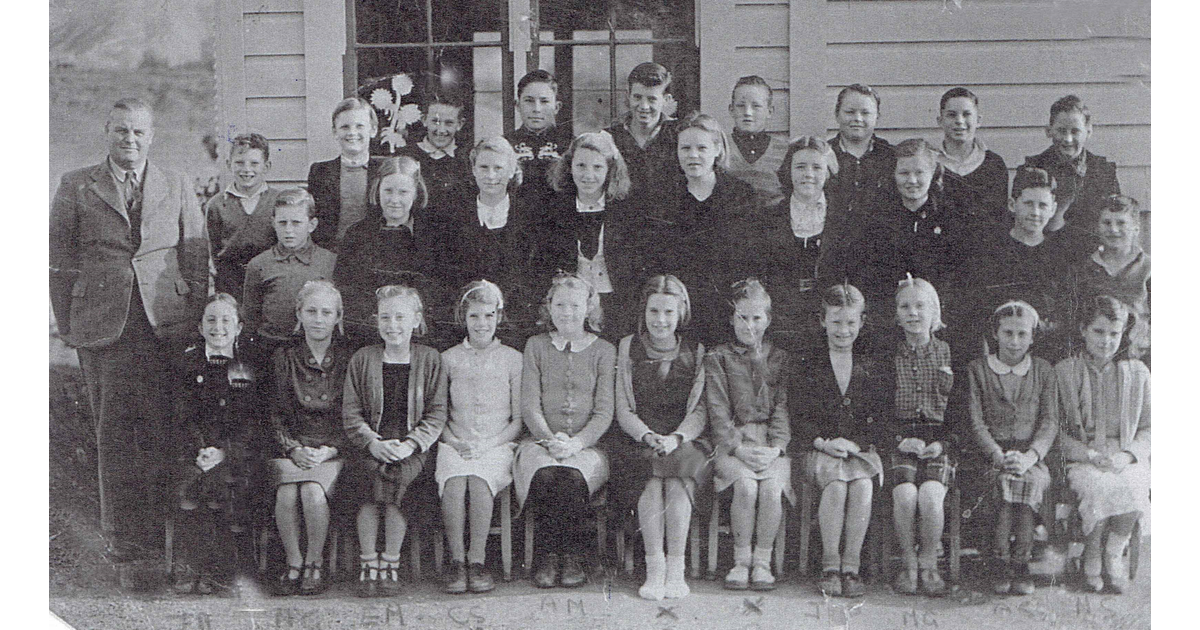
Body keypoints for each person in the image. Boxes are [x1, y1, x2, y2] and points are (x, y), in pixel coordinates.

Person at [50, 97, 209, 562]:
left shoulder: (175, 182)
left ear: (151, 135)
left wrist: (194, 316)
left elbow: (197, 256)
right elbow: (59, 264)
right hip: (105, 327)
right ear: (107, 132)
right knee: (115, 435)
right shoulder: (77, 185)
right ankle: (123, 540)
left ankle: (168, 538)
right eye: (121, 131)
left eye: (139, 132)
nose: (130, 140)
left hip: (167, 325)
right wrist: (69, 325)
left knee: (167, 429)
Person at [343, 285, 448, 597]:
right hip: (370, 444)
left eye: (400, 317)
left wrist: (411, 444)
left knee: (399, 479)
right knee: (366, 481)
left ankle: (390, 562)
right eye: (385, 317)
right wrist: (372, 442)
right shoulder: (362, 359)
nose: (393, 325)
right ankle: (368, 563)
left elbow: (437, 413)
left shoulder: (430, 360)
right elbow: (351, 412)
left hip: (411, 448)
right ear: (376, 321)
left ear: (416, 320)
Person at [514, 274, 617, 589]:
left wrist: (577, 443)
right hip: (539, 441)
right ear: (549, 307)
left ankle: (571, 556)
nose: (567, 312)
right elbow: (530, 406)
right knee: (546, 475)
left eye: (575, 305)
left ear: (588, 307)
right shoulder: (536, 346)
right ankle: (547, 556)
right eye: (560, 304)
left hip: (587, 445)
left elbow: (604, 412)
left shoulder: (604, 350)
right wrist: (549, 440)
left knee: (572, 477)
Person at [613, 275, 710, 600]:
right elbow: (623, 407)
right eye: (654, 311)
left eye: (668, 312)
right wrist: (646, 434)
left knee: (678, 479)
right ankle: (655, 569)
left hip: (683, 441)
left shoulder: (696, 353)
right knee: (652, 480)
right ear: (644, 312)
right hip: (639, 439)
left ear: (681, 312)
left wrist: (677, 437)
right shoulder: (627, 347)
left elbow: (699, 410)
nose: (661, 320)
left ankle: (676, 568)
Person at [790, 284, 888, 598]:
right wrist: (822, 442)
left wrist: (858, 444)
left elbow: (881, 414)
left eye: (850, 323)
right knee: (835, 483)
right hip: (818, 448)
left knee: (861, 485)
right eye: (835, 322)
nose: (843, 331)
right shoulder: (808, 361)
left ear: (861, 322)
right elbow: (797, 411)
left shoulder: (872, 364)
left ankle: (852, 567)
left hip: (859, 450)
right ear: (823, 321)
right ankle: (830, 566)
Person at [1055, 296, 1149, 594]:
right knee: (1096, 485)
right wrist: (1088, 454)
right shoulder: (1065, 371)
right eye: (1098, 331)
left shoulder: (1139, 373)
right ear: (1083, 330)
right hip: (1084, 454)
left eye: (1114, 333)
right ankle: (1092, 553)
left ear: (1123, 334)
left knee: (1137, 485)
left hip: (1123, 453)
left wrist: (1128, 455)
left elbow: (1152, 426)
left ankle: (1113, 552)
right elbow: (1054, 428)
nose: (1106, 341)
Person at [170, 294, 263, 594]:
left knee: (226, 486)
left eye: (226, 320)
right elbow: (180, 416)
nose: (218, 327)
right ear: (200, 327)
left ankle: (222, 567)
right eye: (211, 320)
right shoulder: (186, 363)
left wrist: (224, 451)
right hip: (193, 452)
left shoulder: (249, 366)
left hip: (236, 453)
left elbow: (254, 420)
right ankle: (191, 564)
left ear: (238, 327)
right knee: (186, 483)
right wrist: (199, 451)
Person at [966, 301, 1059, 595]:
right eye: (1008, 333)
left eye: (1022, 334)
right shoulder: (978, 369)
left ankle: (1021, 562)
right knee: (1005, 482)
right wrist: (997, 454)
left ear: (1033, 336)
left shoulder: (1043, 371)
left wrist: (1031, 456)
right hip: (991, 455)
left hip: (1031, 456)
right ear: (996, 333)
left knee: (1029, 482)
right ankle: (1000, 560)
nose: (1015, 341)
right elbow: (975, 422)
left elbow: (1049, 422)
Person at [437, 281, 524, 594]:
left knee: (479, 479)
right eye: (474, 316)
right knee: (455, 482)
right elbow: (439, 415)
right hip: (455, 441)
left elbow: (518, 420)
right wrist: (453, 441)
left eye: (489, 315)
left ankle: (478, 560)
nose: (482, 323)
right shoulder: (448, 358)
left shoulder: (513, 359)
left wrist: (489, 444)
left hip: (497, 443)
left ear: (499, 317)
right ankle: (457, 562)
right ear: (464, 317)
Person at [706, 279, 792, 591]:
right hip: (732, 445)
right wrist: (737, 447)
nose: (749, 325)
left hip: (770, 442)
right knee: (745, 486)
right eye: (742, 317)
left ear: (768, 320)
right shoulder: (718, 358)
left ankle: (762, 563)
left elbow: (782, 406)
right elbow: (717, 410)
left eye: (757, 318)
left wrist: (777, 447)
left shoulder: (780, 359)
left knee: (771, 489)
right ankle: (741, 561)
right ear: (732, 319)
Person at [266, 280, 351, 596]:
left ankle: (316, 564)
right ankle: (294, 563)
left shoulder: (348, 358)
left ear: (337, 317)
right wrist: (292, 447)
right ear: (299, 315)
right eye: (311, 311)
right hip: (293, 446)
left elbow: (355, 415)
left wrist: (330, 449)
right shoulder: (284, 357)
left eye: (326, 312)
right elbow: (274, 413)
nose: (318, 319)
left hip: (333, 448)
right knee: (286, 495)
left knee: (313, 493)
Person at [650, 112, 759, 345]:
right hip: (678, 313)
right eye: (685, 148)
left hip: (728, 310)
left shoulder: (740, 195)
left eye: (701, 148)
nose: (693, 155)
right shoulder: (664, 198)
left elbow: (752, 258)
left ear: (718, 149)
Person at [955, 167, 1071, 364]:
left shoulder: (1059, 255)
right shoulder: (990, 251)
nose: (1035, 212)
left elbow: (1064, 313)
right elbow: (974, 309)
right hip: (995, 355)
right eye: (1028, 204)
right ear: (1012, 204)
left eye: (1043, 205)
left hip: (1044, 357)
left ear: (1053, 209)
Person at [887, 276, 956, 596]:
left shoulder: (949, 353)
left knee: (930, 495)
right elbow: (878, 408)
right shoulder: (889, 357)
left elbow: (959, 412)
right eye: (905, 306)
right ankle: (908, 565)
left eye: (920, 306)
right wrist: (897, 439)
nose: (913, 313)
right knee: (905, 495)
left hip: (939, 441)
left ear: (935, 311)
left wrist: (943, 443)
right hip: (901, 440)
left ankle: (929, 563)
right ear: (896, 314)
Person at [743, 135, 847, 341]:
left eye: (817, 168)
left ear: (828, 173)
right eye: (800, 167)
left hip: (833, 322)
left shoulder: (845, 219)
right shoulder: (767, 217)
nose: (808, 174)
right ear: (788, 171)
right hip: (780, 324)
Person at [544, 131, 640, 340]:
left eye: (597, 167)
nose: (588, 175)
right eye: (581, 166)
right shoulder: (555, 209)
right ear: (569, 167)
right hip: (570, 309)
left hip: (617, 306)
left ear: (610, 170)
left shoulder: (626, 210)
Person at [333, 156, 439, 343]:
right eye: (388, 191)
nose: (394, 200)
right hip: (369, 334)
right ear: (377, 190)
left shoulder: (434, 235)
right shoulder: (358, 234)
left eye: (403, 192)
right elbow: (346, 287)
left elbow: (437, 288)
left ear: (415, 193)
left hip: (420, 334)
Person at [446, 137, 541, 321]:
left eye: (498, 168)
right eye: (483, 168)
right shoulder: (454, 216)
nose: (491, 176)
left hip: (518, 317)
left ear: (512, 170)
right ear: (473, 170)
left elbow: (535, 273)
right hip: (468, 317)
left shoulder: (530, 216)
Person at [1020, 95, 1121, 259]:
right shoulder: (1031, 169)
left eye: (1075, 131)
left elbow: (1116, 222)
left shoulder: (1104, 172)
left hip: (1092, 260)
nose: (1068, 139)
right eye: (1061, 131)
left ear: (1088, 132)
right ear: (1049, 131)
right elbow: (1021, 229)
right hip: (1044, 258)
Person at [243, 189, 337, 357]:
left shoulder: (330, 262)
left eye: (296, 223)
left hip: (316, 352)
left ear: (312, 225)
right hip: (270, 351)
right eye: (282, 222)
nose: (288, 230)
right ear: (273, 223)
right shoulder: (259, 265)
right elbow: (250, 321)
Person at [1067, 195, 1150, 360]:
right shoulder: (1084, 269)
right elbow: (1073, 320)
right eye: (1106, 223)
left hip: (1138, 361)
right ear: (1097, 226)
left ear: (1136, 227)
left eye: (1121, 223)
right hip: (1091, 361)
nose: (1113, 229)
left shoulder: (1150, 269)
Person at [206, 132, 280, 298]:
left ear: (266, 166)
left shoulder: (277, 201)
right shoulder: (217, 205)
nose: (247, 170)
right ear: (229, 164)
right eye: (239, 163)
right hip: (230, 286)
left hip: (269, 282)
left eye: (254, 163)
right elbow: (214, 251)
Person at [307, 97, 382, 250]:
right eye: (345, 127)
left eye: (359, 126)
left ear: (373, 130)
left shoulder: (384, 170)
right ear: (335, 132)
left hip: (375, 253)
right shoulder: (320, 172)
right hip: (331, 253)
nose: (352, 133)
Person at [606, 62, 680, 201]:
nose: (644, 106)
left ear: (666, 99)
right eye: (637, 97)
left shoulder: (679, 136)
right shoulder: (609, 137)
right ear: (628, 95)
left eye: (652, 99)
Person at [935, 87, 1009, 219]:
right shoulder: (929, 163)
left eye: (966, 114)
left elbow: (1000, 218)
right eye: (951, 115)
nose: (959, 121)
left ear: (978, 120)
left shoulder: (994, 164)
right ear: (940, 121)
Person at [506, 69, 571, 210]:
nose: (536, 109)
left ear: (556, 107)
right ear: (517, 105)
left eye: (544, 101)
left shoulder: (572, 145)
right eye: (529, 101)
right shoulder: (504, 145)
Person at [827, 84, 894, 211]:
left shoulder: (890, 156)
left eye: (865, 113)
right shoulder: (823, 155)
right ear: (837, 114)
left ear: (877, 117)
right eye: (850, 112)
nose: (857, 118)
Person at [403, 92, 471, 216]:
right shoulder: (406, 156)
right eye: (435, 121)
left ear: (459, 124)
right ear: (424, 120)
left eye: (449, 123)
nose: (441, 130)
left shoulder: (468, 159)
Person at [725, 75, 787, 207]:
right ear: (731, 110)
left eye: (756, 106)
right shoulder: (719, 147)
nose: (747, 112)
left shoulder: (785, 151)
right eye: (741, 105)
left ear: (769, 111)